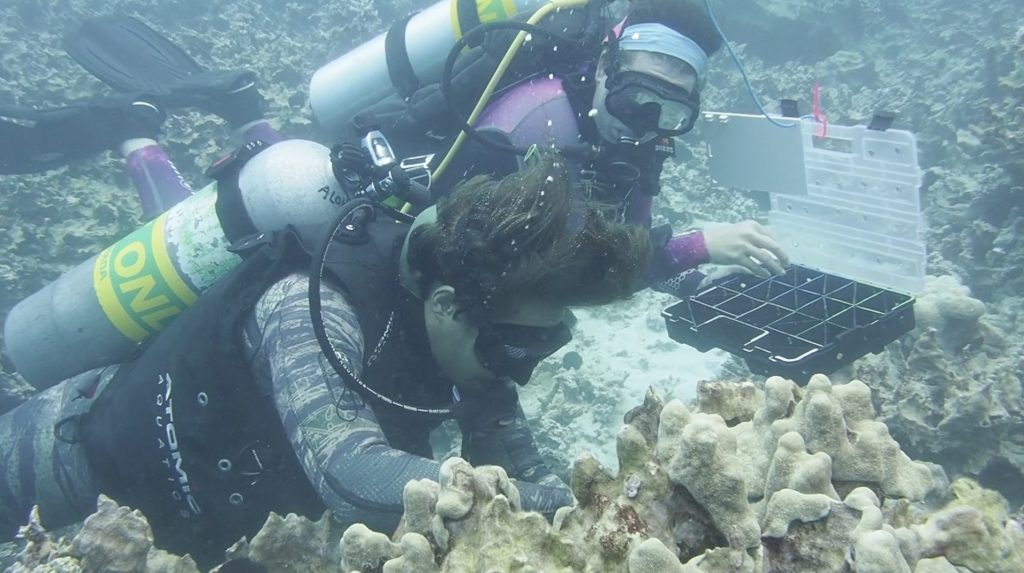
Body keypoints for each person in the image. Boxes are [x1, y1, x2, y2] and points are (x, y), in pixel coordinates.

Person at [0, 149, 651, 568]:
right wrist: (560, 501)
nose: (522, 371)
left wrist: (612, 513)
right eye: (517, 347)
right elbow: (348, 471)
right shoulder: (311, 306)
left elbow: (526, 474)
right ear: (447, 305)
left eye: (549, 345)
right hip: (63, 467)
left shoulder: (473, 336)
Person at [350, 0, 790, 291]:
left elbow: (628, 240)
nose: (644, 124)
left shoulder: (638, 133)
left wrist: (690, 278)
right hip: (400, 276)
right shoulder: (537, 124)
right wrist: (697, 247)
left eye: (671, 111)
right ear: (603, 67)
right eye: (633, 98)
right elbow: (562, 273)